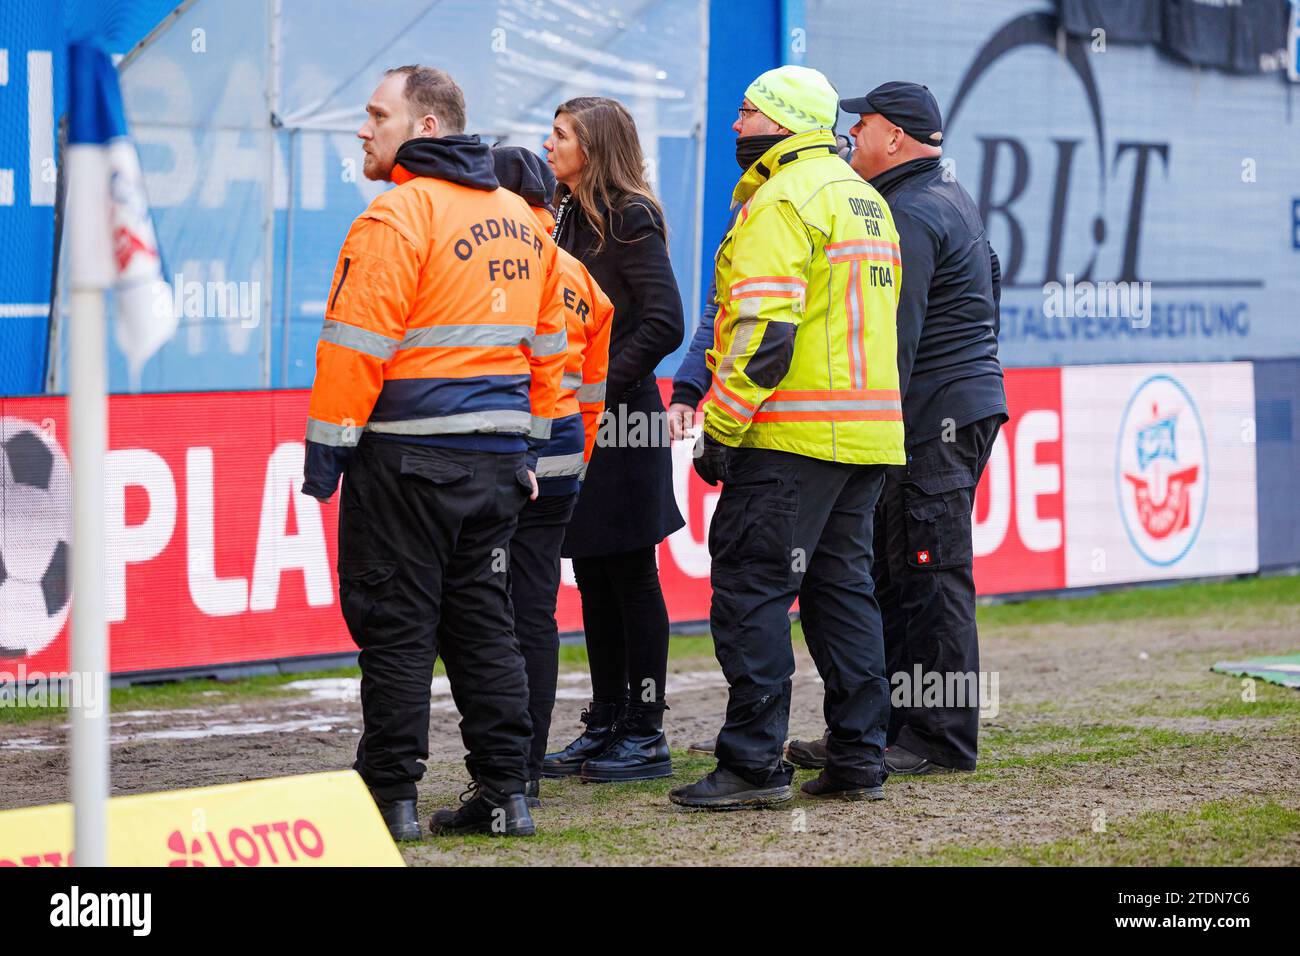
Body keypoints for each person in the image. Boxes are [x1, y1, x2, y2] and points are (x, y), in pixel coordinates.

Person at [301, 65, 568, 840]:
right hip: (495, 468)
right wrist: (532, 450)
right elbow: (551, 354)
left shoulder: (397, 215)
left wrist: (326, 457)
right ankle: (507, 794)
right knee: (485, 626)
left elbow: (355, 349)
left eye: (376, 114)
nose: (363, 128)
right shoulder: (523, 219)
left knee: (397, 627)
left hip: (407, 463)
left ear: (424, 128)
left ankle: (390, 798)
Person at [669, 65, 906, 810]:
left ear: (782, 122)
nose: (736, 126)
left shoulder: (779, 199)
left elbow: (764, 333)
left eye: (747, 113)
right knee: (843, 598)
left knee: (750, 593)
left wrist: (723, 428)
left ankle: (751, 765)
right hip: (864, 441)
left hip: (790, 437)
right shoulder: (866, 201)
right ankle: (861, 757)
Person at [786, 82, 1007, 776]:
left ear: (895, 137)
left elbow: (893, 339)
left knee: (930, 573)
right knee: (900, 570)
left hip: (931, 416)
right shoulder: (944, 196)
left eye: (863, 123)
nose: (851, 134)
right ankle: (885, 732)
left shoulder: (908, 211)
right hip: (946, 407)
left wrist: (870, 426)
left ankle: (937, 740)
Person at [540, 96, 686, 783]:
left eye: (561, 134)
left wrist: (597, 390)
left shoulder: (630, 215)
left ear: (593, 146)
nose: (549, 143)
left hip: (624, 426)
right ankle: (604, 722)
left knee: (630, 572)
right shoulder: (567, 213)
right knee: (592, 570)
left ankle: (646, 731)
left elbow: (665, 322)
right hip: (587, 426)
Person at [490, 146, 614, 803]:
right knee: (534, 609)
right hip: (565, 455)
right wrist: (579, 458)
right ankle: (526, 771)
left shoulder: (496, 261)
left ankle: (501, 769)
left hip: (506, 452)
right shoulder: (580, 275)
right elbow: (592, 388)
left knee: (484, 614)